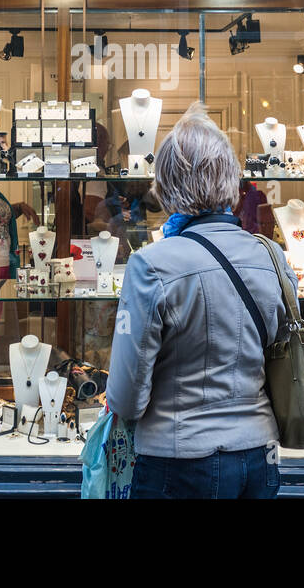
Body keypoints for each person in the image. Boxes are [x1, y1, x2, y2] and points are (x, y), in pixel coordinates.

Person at [106, 102, 294, 499]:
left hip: (178, 460)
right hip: (259, 456)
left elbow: (126, 396)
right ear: (231, 179)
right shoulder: (271, 256)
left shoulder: (152, 264)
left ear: (166, 184)